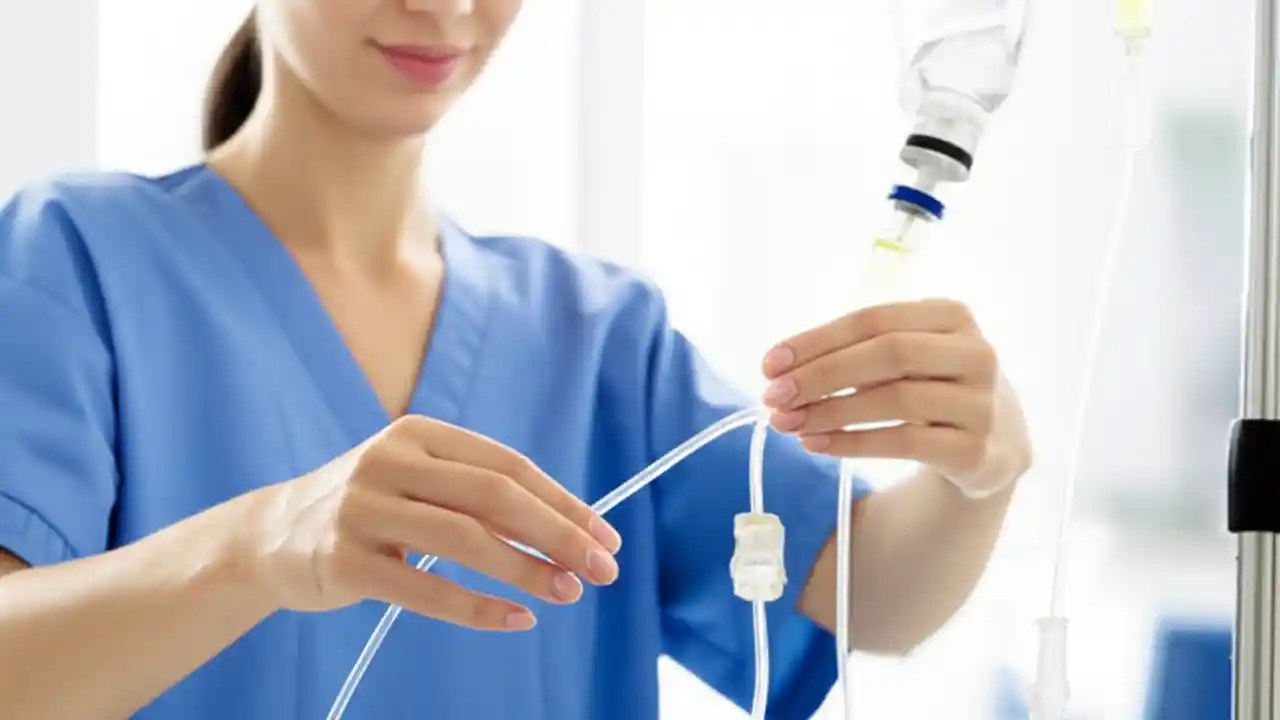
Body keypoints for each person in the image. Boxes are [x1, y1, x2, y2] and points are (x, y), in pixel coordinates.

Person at [0, 1, 1032, 718]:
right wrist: (259, 545)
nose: (443, 6)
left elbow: (866, 594)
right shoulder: (78, 260)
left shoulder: (596, 333)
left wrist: (976, 476)